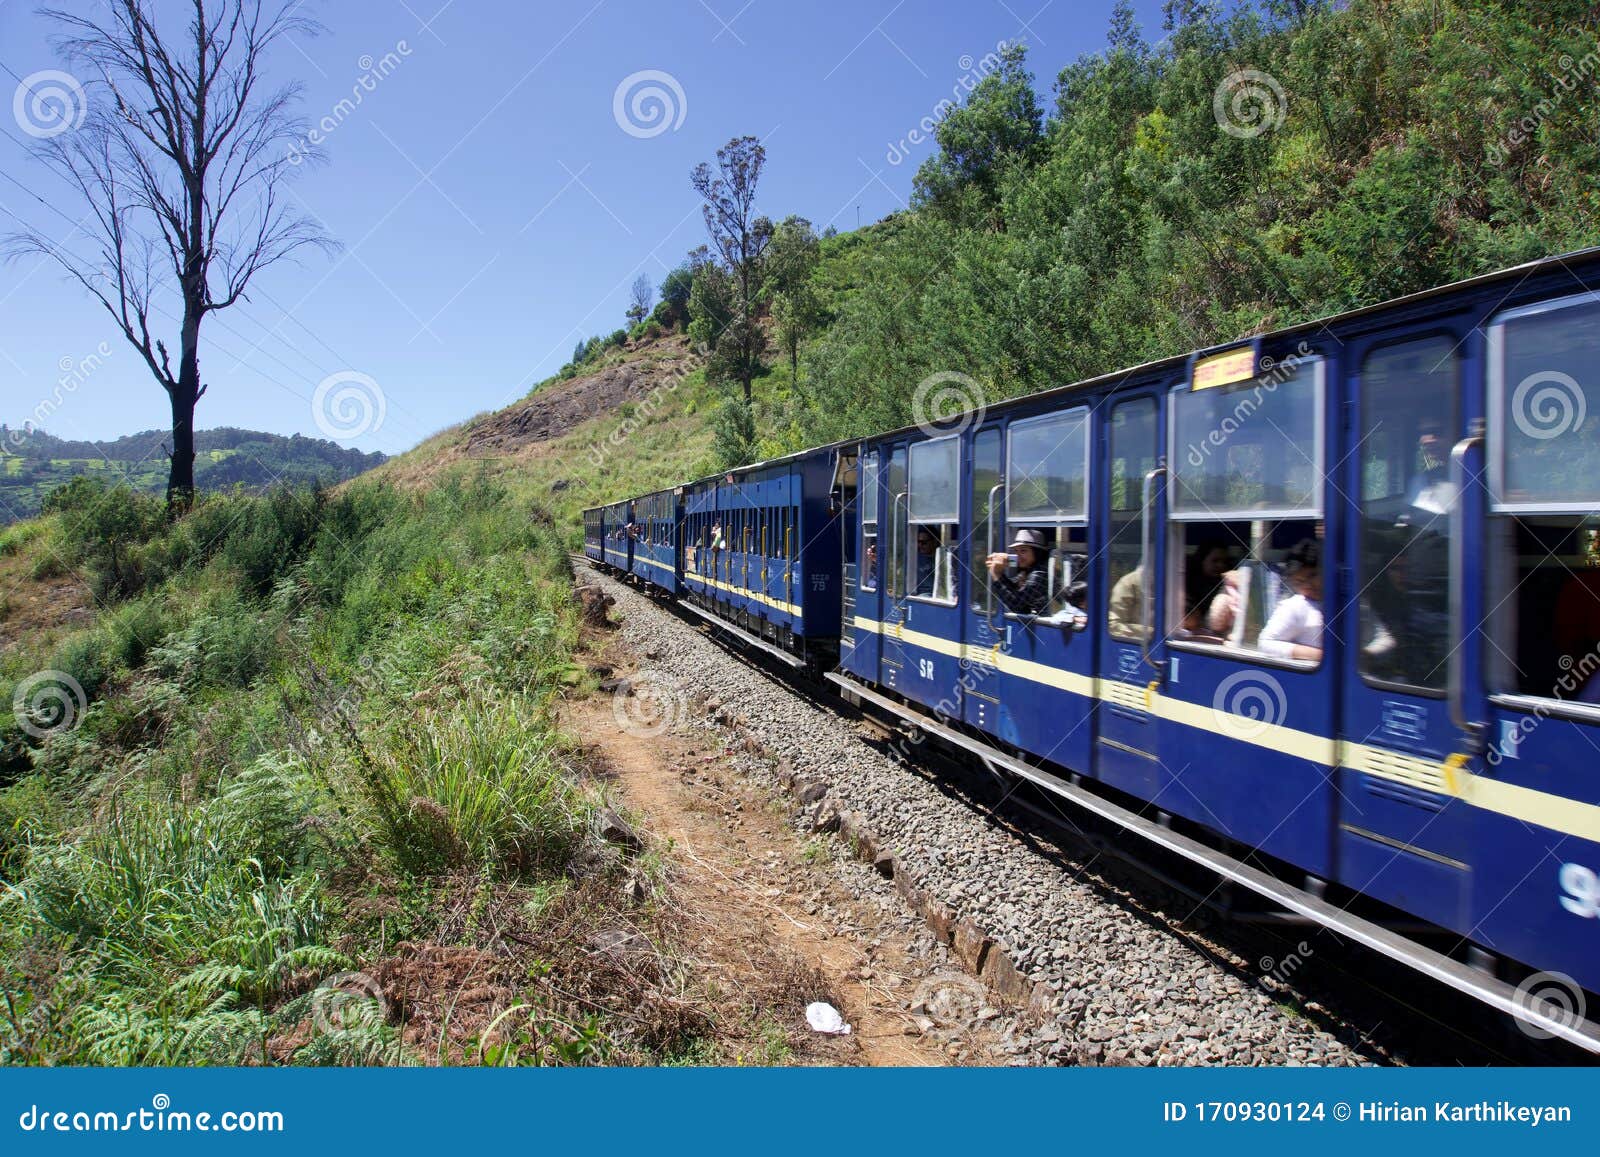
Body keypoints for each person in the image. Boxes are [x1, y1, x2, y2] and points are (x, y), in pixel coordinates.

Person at [1258, 538, 1323, 661]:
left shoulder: (1344, 600)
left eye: (1312, 575)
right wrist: (1319, 655)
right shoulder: (1295, 606)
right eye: (1300, 581)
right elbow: (1266, 643)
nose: (1308, 585)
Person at [986, 529, 1050, 616]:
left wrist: (996, 574)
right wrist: (999, 567)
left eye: (1023, 551)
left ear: (1037, 552)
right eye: (1016, 551)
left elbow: (1016, 604)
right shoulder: (1026, 570)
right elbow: (1012, 589)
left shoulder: (1039, 573)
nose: (1018, 556)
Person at [914, 526, 941, 596]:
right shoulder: (913, 559)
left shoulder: (941, 558)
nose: (919, 545)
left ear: (934, 542)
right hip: (921, 595)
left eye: (923, 542)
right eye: (918, 542)